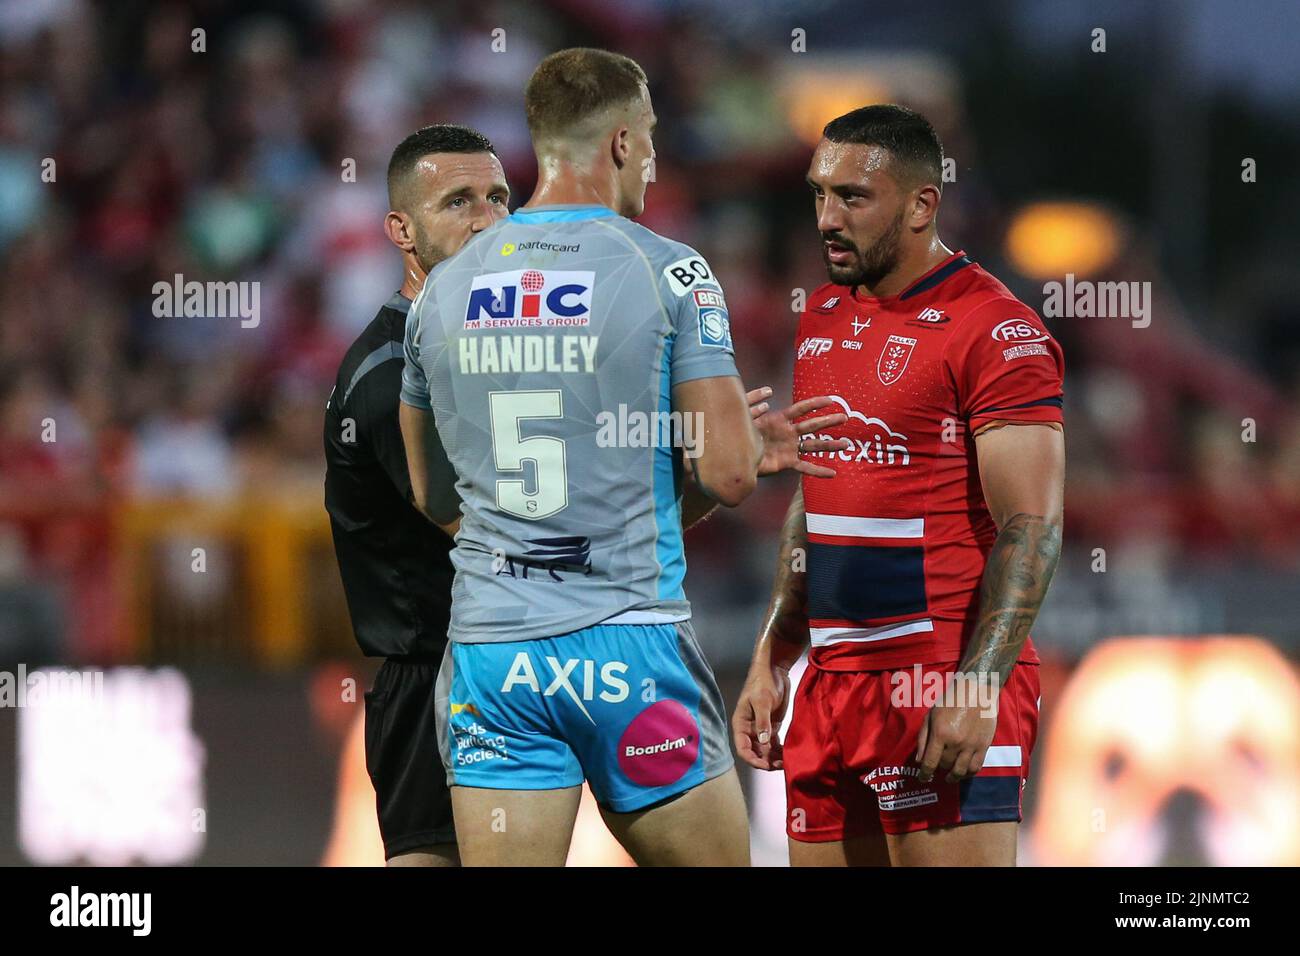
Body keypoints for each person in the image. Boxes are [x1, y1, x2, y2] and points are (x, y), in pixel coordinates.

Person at [399, 48, 845, 866]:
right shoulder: (669, 269)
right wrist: (733, 452)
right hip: (627, 650)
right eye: (648, 137)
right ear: (619, 145)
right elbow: (729, 474)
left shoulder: (441, 290)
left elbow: (431, 494)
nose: (652, 157)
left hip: (494, 659)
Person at [732, 104, 1065, 867]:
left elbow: (1032, 527)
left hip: (937, 676)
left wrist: (978, 687)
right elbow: (818, 489)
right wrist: (776, 650)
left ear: (923, 204)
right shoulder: (821, 312)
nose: (826, 217)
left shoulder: (994, 329)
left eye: (854, 197)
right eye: (819, 193)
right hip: (831, 686)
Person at [324, 124, 509, 866]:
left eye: (498, 196)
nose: (487, 219)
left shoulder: (496, 346)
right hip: (436, 674)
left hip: (512, 658)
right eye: (458, 201)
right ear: (400, 228)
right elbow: (476, 527)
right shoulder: (388, 371)